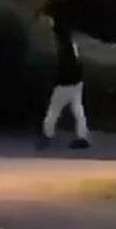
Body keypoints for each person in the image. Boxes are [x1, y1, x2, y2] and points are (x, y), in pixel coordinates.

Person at [40, 20, 90, 150]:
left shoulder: (63, 47)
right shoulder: (73, 46)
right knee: (78, 110)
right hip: (77, 82)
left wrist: (55, 80)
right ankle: (82, 137)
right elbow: (78, 62)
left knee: (54, 110)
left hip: (65, 83)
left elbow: (62, 67)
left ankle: (47, 135)